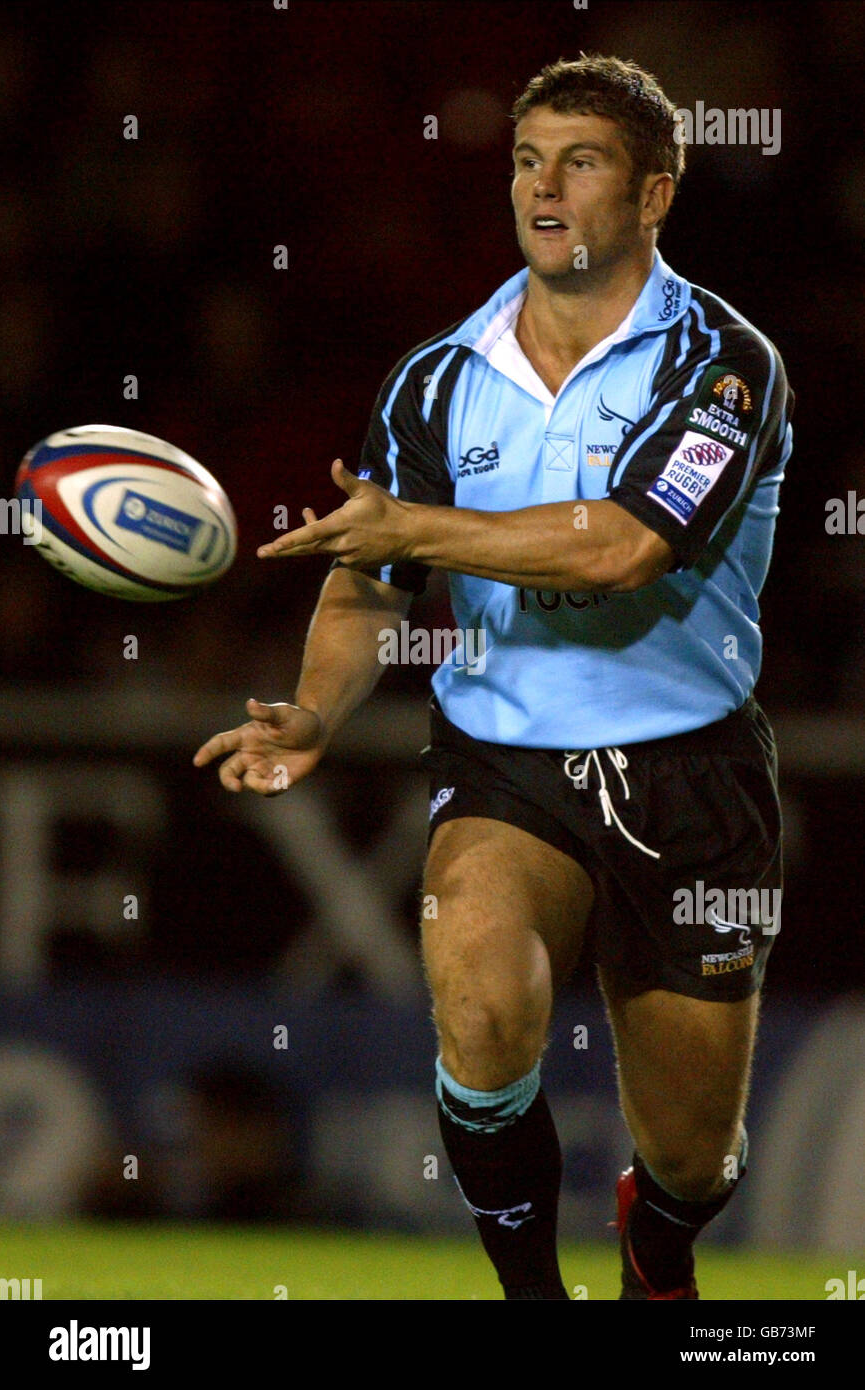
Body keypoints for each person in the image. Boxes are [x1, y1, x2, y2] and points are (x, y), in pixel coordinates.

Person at [194, 55, 794, 1301]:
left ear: (653, 195)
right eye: (527, 160)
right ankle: (530, 1297)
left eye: (580, 162)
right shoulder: (437, 377)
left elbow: (627, 543)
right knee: (475, 996)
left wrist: (410, 530)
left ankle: (658, 1234)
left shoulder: (723, 364)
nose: (543, 186)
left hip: (692, 773)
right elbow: (367, 583)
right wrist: (315, 708)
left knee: (692, 1153)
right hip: (503, 761)